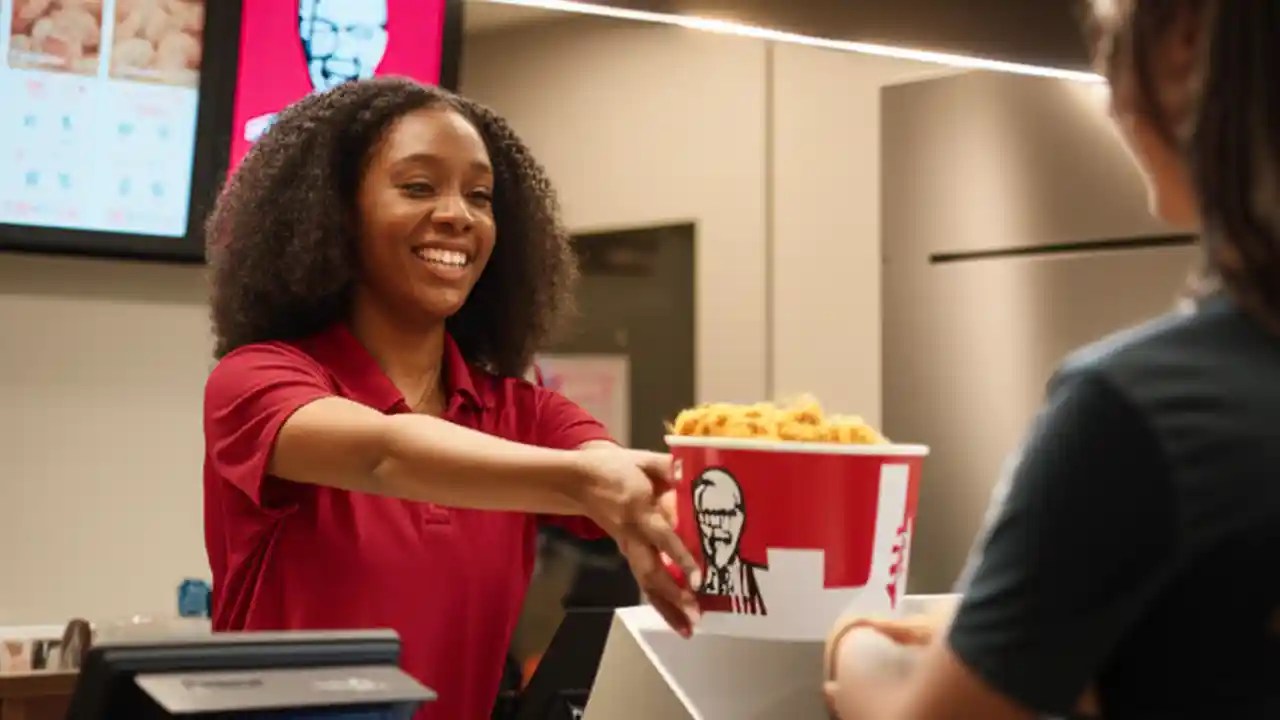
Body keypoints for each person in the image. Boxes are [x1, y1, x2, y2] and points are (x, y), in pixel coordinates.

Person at [825, 1, 1280, 718]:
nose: (1109, 85)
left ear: (1185, 45)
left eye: (1112, 42)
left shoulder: (1136, 409)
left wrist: (853, 637)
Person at [202, 77, 701, 720]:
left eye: (480, 196)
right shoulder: (257, 382)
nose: (458, 215)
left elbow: (624, 475)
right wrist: (585, 481)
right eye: (417, 187)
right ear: (334, 214)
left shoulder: (527, 414)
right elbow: (384, 455)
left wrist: (667, 507)